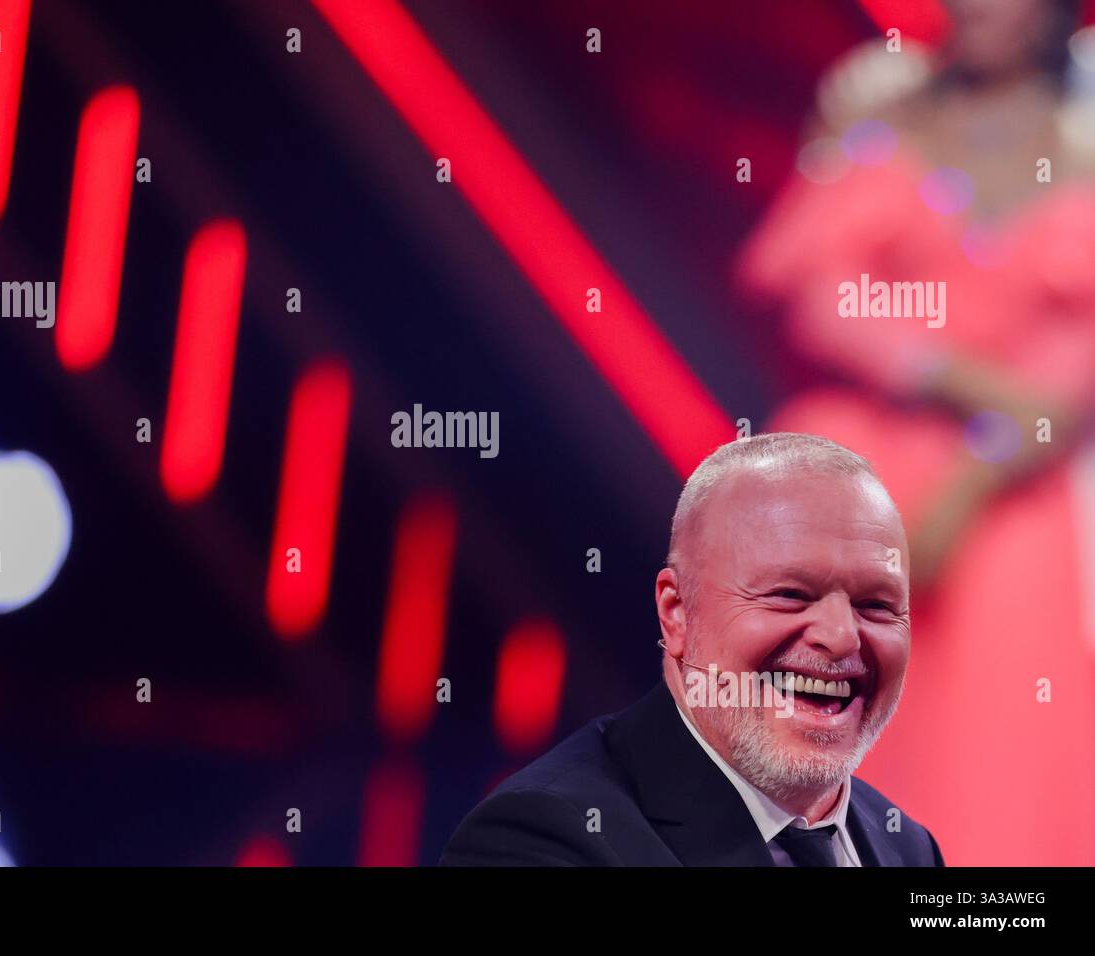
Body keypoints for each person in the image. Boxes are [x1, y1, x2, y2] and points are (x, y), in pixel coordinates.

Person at [738, 0, 1095, 865]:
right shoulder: (879, 112)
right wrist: (955, 375)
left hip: (1003, 497)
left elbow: (1073, 376)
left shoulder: (1085, 142)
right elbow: (812, 296)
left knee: (992, 766)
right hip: (848, 468)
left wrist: (962, 493)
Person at [440, 434, 942, 866]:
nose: (841, 636)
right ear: (677, 612)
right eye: (789, 595)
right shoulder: (542, 838)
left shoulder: (906, 847)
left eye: (875, 605)